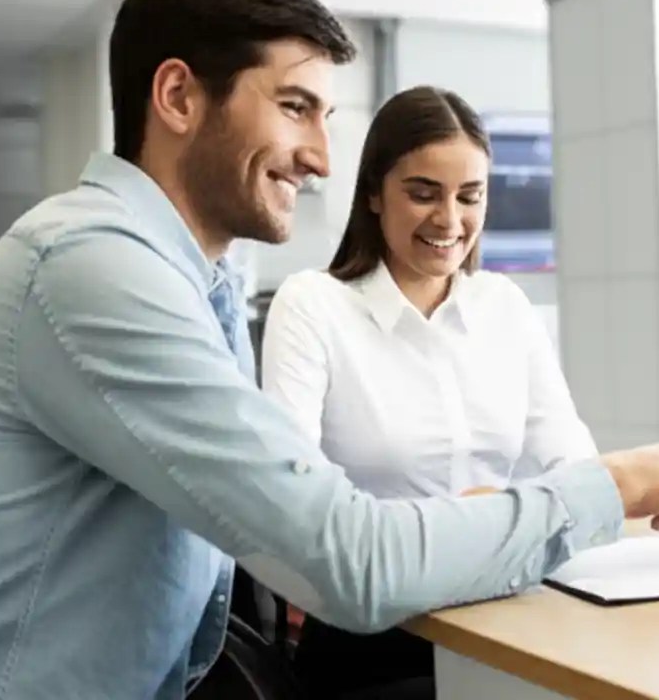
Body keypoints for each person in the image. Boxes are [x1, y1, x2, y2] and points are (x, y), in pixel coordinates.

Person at [0, 0, 659, 698]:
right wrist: (620, 484)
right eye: (294, 107)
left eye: (325, 120)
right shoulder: (93, 267)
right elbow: (349, 560)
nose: (321, 159)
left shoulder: (196, 278)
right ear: (177, 97)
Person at [257, 84, 599, 695]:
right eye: (423, 194)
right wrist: (477, 518)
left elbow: (572, 461)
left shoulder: (505, 307)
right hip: (372, 634)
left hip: (503, 611)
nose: (450, 220)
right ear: (372, 194)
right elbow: (294, 505)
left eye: (470, 197)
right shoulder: (314, 306)